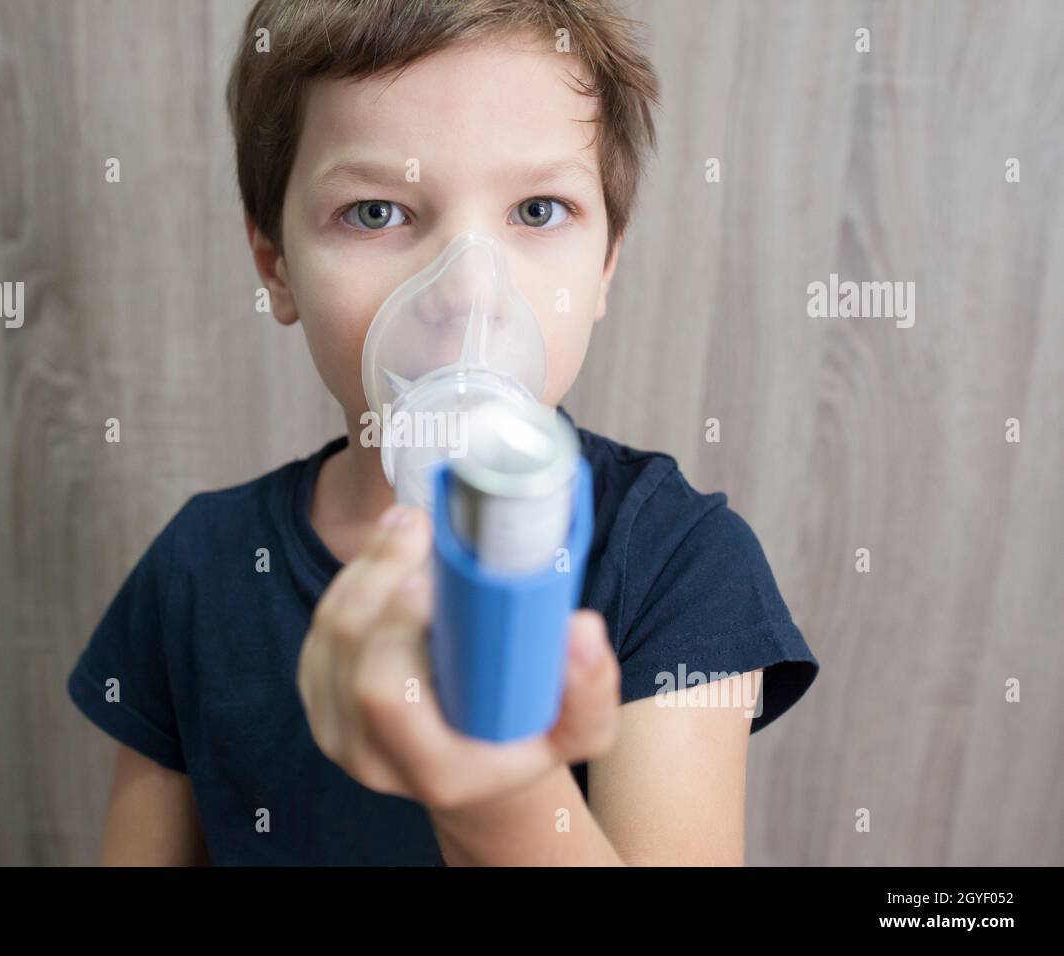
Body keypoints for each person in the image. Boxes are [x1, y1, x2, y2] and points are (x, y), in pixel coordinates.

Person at [68, 0, 819, 866]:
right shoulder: (198, 570)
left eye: (537, 212)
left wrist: (499, 803)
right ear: (275, 265)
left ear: (606, 263)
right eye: (378, 213)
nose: (467, 293)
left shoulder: (677, 565)